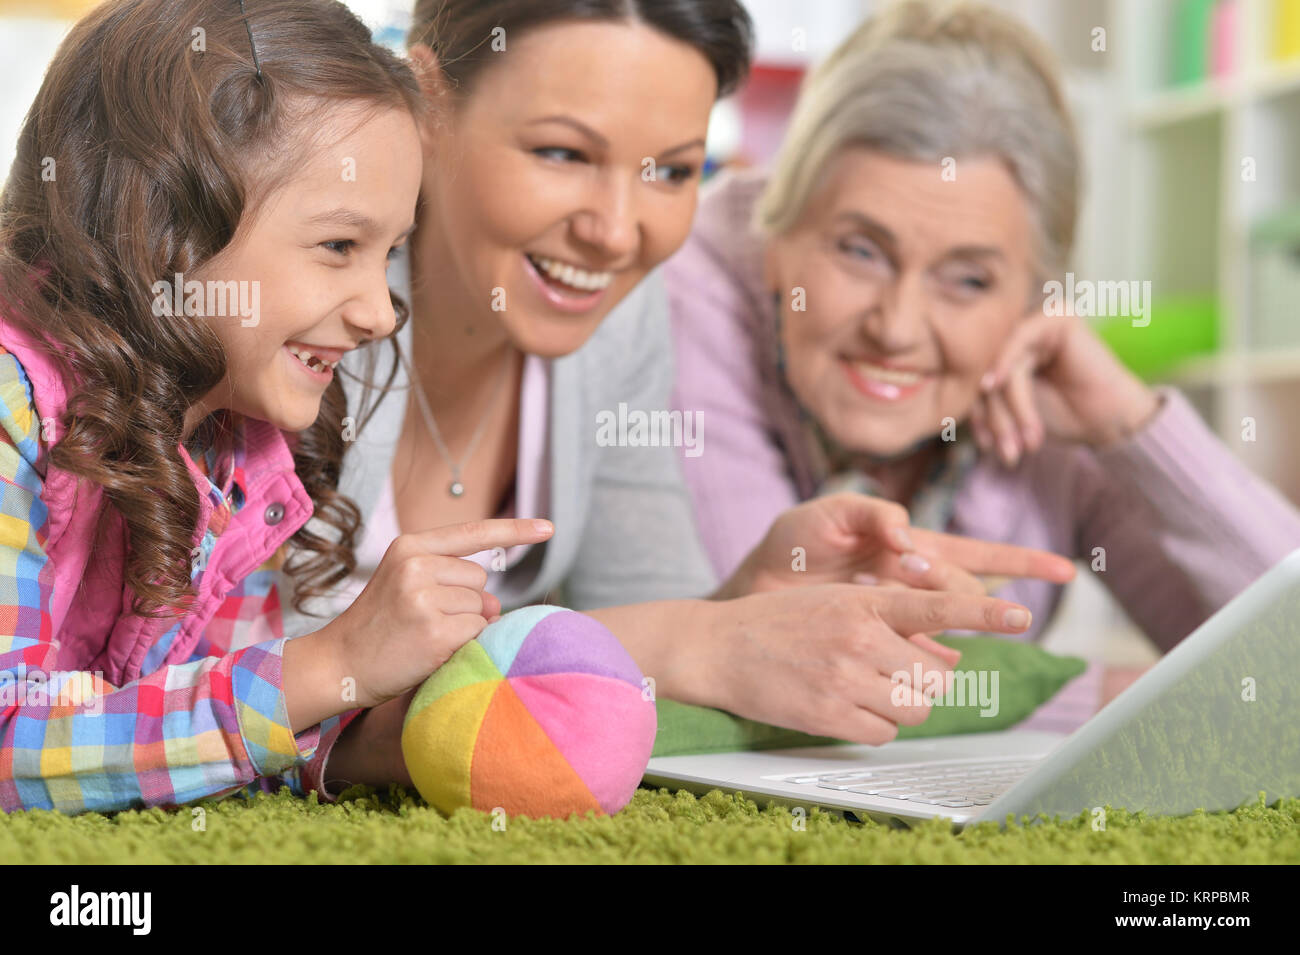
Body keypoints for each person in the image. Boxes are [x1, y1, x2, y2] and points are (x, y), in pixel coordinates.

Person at [278, 0, 1078, 793]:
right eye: (563, 152)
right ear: (430, 101)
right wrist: (692, 639)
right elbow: (204, 690)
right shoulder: (311, 281)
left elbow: (652, 640)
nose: (619, 232)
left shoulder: (618, 321)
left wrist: (752, 600)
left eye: (670, 170)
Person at [664, 0, 1300, 731]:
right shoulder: (692, 291)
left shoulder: (1042, 379)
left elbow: (1289, 654)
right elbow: (782, 656)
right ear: (776, 233)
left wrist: (1131, 426)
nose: (896, 328)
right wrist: (1101, 699)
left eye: (967, 280)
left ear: (1033, 298)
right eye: (859, 250)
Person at [0, 0, 558, 814]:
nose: (379, 310)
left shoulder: (235, 435)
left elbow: (185, 713)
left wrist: (366, 728)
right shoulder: (15, 407)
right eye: (339, 246)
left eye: (391, 253)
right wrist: (325, 662)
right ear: (166, 229)